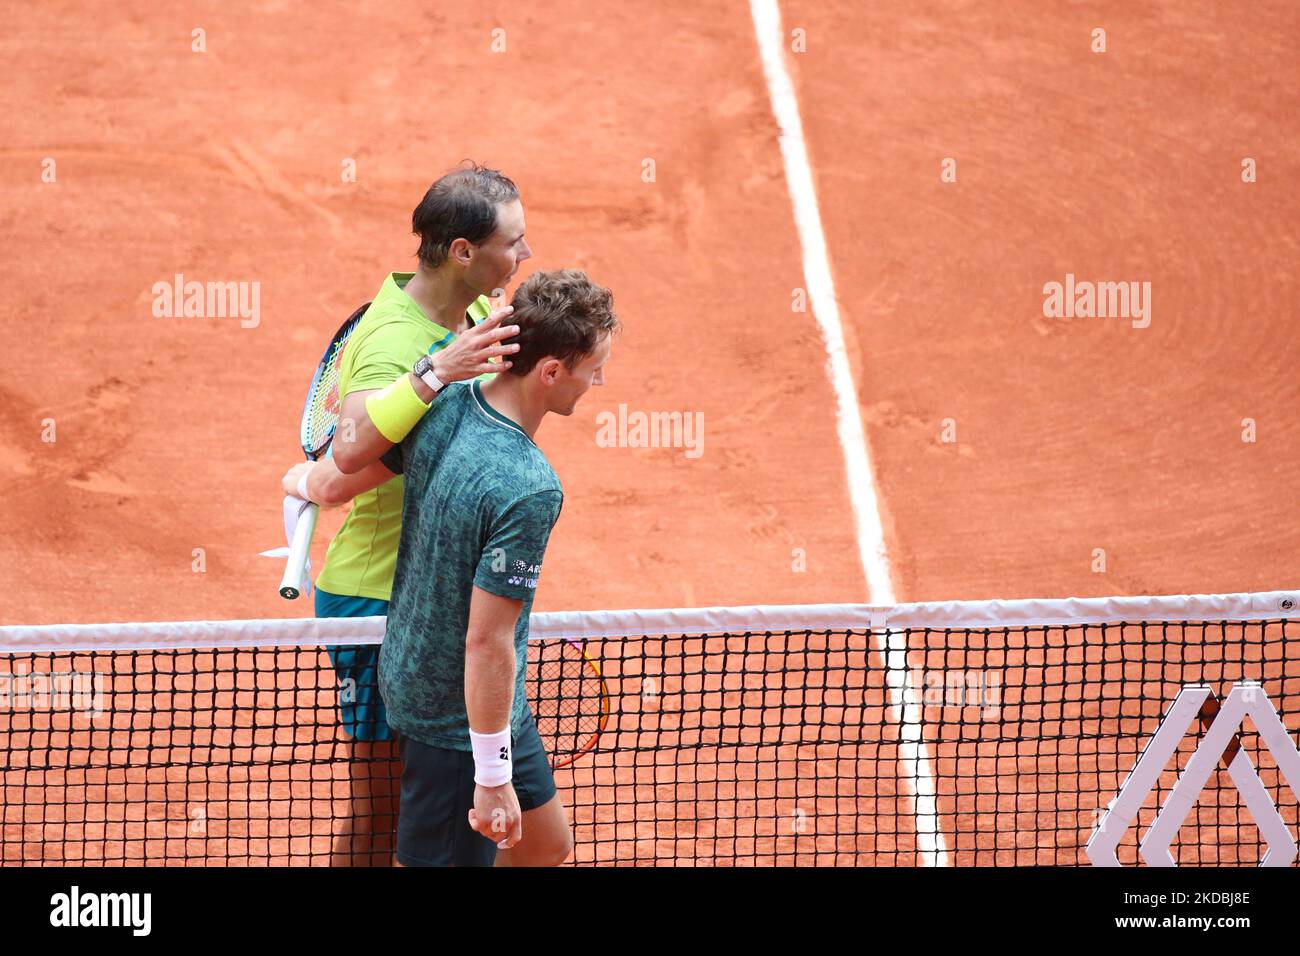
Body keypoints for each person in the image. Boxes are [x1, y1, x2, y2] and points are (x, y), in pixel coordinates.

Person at [280, 164, 530, 864]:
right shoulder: (395, 339)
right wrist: (434, 374)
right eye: (515, 242)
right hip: (376, 600)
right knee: (383, 807)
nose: (524, 255)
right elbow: (355, 448)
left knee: (444, 799)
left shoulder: (474, 314)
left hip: (437, 590)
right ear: (462, 252)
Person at [379, 269, 618, 867]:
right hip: (454, 723)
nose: (599, 381)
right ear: (552, 372)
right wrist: (490, 776)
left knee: (545, 846)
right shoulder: (527, 486)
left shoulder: (451, 399)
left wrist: (309, 481)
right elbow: (488, 640)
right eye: (594, 368)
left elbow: (363, 457)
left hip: (480, 705)